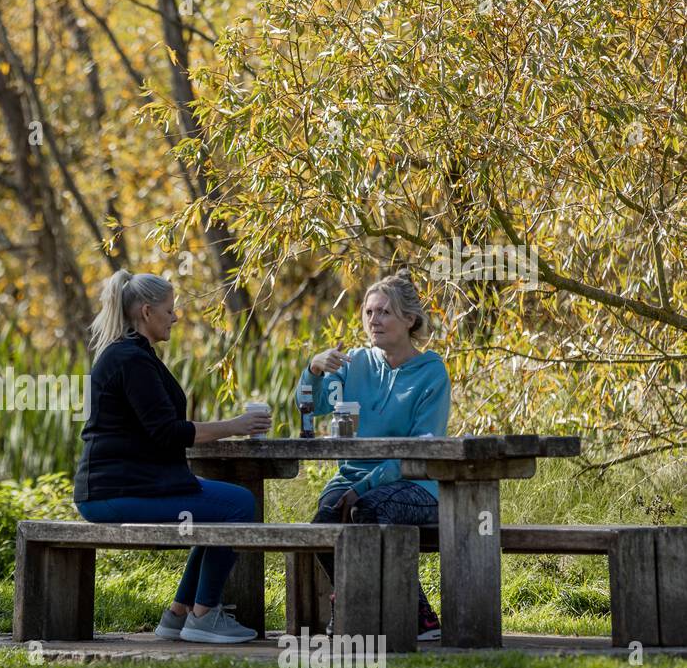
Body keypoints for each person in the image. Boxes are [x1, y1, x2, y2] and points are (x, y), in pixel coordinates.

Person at [73, 269, 270, 644]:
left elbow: (158, 430)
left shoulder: (131, 354)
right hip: (112, 494)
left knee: (222, 506)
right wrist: (236, 425)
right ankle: (204, 615)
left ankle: (180, 614)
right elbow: (167, 433)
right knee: (239, 504)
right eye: (169, 310)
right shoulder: (131, 360)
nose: (175, 317)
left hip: (121, 486)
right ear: (147, 312)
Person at [301, 268, 451, 641]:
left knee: (368, 510)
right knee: (322, 526)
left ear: (409, 319)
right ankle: (354, 606)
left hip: (417, 484)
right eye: (369, 312)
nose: (373, 321)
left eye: (384, 312)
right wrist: (314, 369)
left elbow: (419, 451)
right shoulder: (355, 362)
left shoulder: (432, 373)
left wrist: (365, 487)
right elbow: (312, 406)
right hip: (351, 479)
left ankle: (416, 616)